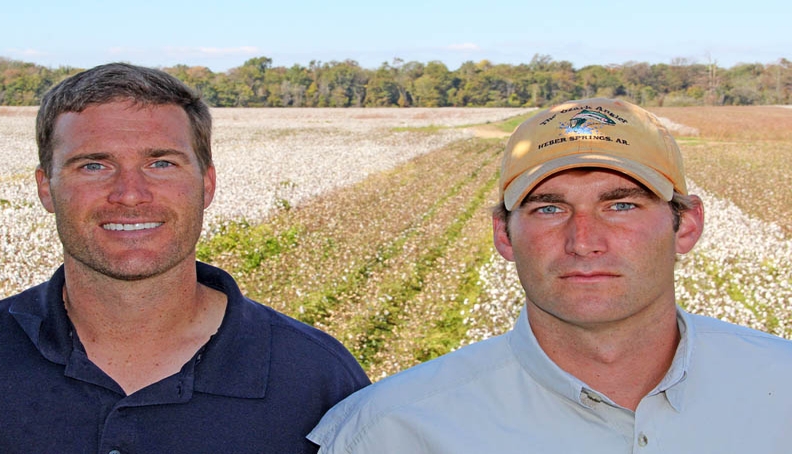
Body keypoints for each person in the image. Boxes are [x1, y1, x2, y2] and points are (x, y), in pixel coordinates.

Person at [0, 63, 369, 454]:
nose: (130, 195)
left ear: (207, 184)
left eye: (161, 163)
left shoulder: (318, 379)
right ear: (46, 188)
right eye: (93, 166)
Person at [309, 97, 792, 453]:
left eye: (621, 205)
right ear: (504, 235)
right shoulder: (388, 433)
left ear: (686, 226)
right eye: (548, 208)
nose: (583, 241)